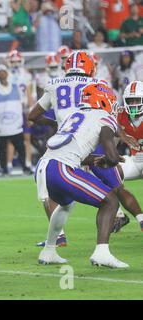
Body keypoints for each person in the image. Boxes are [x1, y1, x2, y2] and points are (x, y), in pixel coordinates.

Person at [28, 50, 141, 247]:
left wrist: (55, 124)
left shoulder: (55, 84)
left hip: (66, 143)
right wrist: (121, 135)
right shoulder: (98, 84)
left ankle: (59, 237)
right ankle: (133, 218)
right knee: (116, 187)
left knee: (50, 187)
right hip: (95, 139)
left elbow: (32, 116)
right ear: (90, 67)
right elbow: (110, 116)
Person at [36, 82, 129, 268]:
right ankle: (102, 252)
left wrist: (98, 159)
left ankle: (49, 250)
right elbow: (112, 157)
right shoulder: (103, 117)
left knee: (65, 204)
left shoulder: (73, 114)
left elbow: (73, 149)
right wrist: (109, 159)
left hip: (43, 167)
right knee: (110, 200)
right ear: (103, 100)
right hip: (61, 169)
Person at [0, 65, 29, 176]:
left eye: (4, 72)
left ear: (7, 74)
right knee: (2, 149)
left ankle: (25, 167)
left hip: (16, 125)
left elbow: (23, 104)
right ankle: (4, 168)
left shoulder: (16, 87)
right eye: (0, 72)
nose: (2, 74)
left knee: (21, 148)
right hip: (0, 126)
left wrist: (27, 118)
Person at [114, 81, 143, 232]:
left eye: (136, 100)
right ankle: (119, 215)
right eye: (130, 100)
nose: (133, 104)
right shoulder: (120, 114)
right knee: (109, 172)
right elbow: (113, 141)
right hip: (135, 159)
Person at [6, 49, 34, 172]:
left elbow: (30, 95)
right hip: (12, 108)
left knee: (27, 138)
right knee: (11, 138)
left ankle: (27, 163)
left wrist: (31, 111)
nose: (15, 64)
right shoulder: (6, 74)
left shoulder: (26, 75)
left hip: (23, 109)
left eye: (17, 61)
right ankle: (9, 164)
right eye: (13, 61)